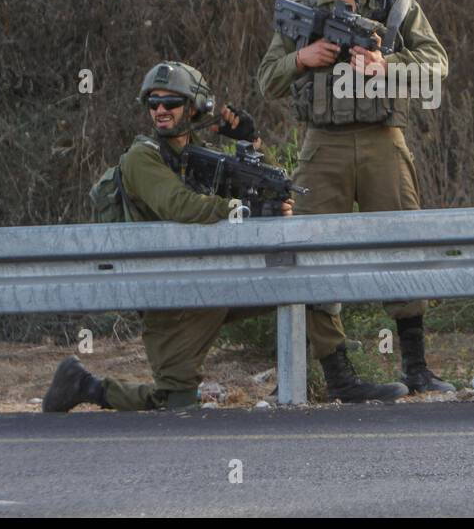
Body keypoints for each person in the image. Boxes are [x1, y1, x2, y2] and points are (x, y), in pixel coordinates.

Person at [43, 60, 407, 412]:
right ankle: (85, 386)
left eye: (171, 102)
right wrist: (244, 212)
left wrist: (252, 144)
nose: (161, 111)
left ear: (194, 108)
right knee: (175, 401)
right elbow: (180, 206)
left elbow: (270, 187)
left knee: (304, 278)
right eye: (154, 103)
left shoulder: (199, 157)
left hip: (215, 283)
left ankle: (340, 379)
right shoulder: (143, 157)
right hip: (171, 299)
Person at [257, 0, 455, 393]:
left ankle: (415, 366)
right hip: (321, 145)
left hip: (382, 140)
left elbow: (437, 65)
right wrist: (302, 59)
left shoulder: (394, 3)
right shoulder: (304, 9)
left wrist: (385, 64)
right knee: (313, 254)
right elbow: (266, 81)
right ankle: (338, 374)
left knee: (402, 247)